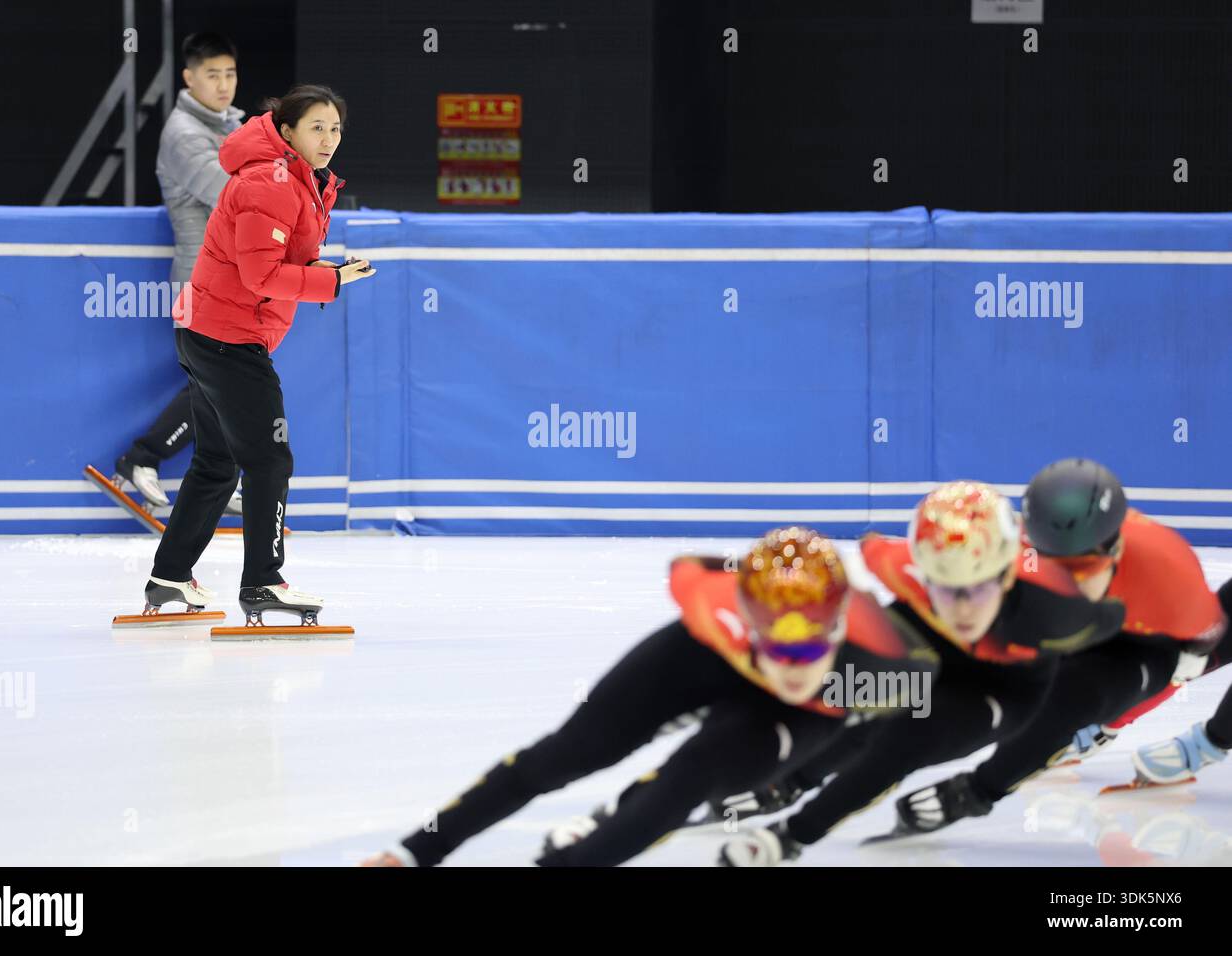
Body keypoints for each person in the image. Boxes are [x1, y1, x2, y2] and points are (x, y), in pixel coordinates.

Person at [360, 527, 940, 867]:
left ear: (838, 634)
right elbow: (697, 566)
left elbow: (875, 741)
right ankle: (415, 854)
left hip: (794, 716)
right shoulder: (711, 611)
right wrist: (413, 853)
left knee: (692, 775)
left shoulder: (889, 670)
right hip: (709, 659)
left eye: (807, 651)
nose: (790, 667)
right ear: (746, 624)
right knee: (561, 756)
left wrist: (799, 785)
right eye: (778, 649)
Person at [717, 480, 1125, 866]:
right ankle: (788, 780)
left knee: (906, 738)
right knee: (850, 695)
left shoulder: (1057, 613)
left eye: (978, 586)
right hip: (934, 655)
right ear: (922, 572)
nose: (963, 608)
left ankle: (789, 833)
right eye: (945, 584)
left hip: (1002, 690)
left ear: (1006, 575)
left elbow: (1116, 632)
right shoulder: (897, 566)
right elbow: (873, 549)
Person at [138, 85, 375, 620]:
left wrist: (329, 273)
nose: (329, 139)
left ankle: (169, 577)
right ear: (286, 131)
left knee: (217, 464)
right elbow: (260, 275)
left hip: (214, 330)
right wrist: (329, 281)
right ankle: (263, 581)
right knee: (269, 457)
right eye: (317, 127)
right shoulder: (270, 183)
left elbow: (274, 260)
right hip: (228, 337)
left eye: (335, 128)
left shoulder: (296, 180)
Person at [889, 459, 1228, 823]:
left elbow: (1188, 660)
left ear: (1113, 552)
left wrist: (1113, 723)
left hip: (1147, 636)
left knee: (1086, 693)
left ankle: (1209, 741)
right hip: (1097, 619)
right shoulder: (1022, 551)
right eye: (1051, 562)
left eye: (1081, 568)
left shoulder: (1174, 582)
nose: (1067, 578)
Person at [113, 32, 244, 516]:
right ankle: (140, 459)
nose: (224, 84)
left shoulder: (235, 123)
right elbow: (232, 193)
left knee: (232, 386)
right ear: (189, 78)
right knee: (218, 385)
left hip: (235, 281)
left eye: (230, 74)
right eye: (213, 75)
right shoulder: (184, 134)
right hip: (200, 281)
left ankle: (214, 475)